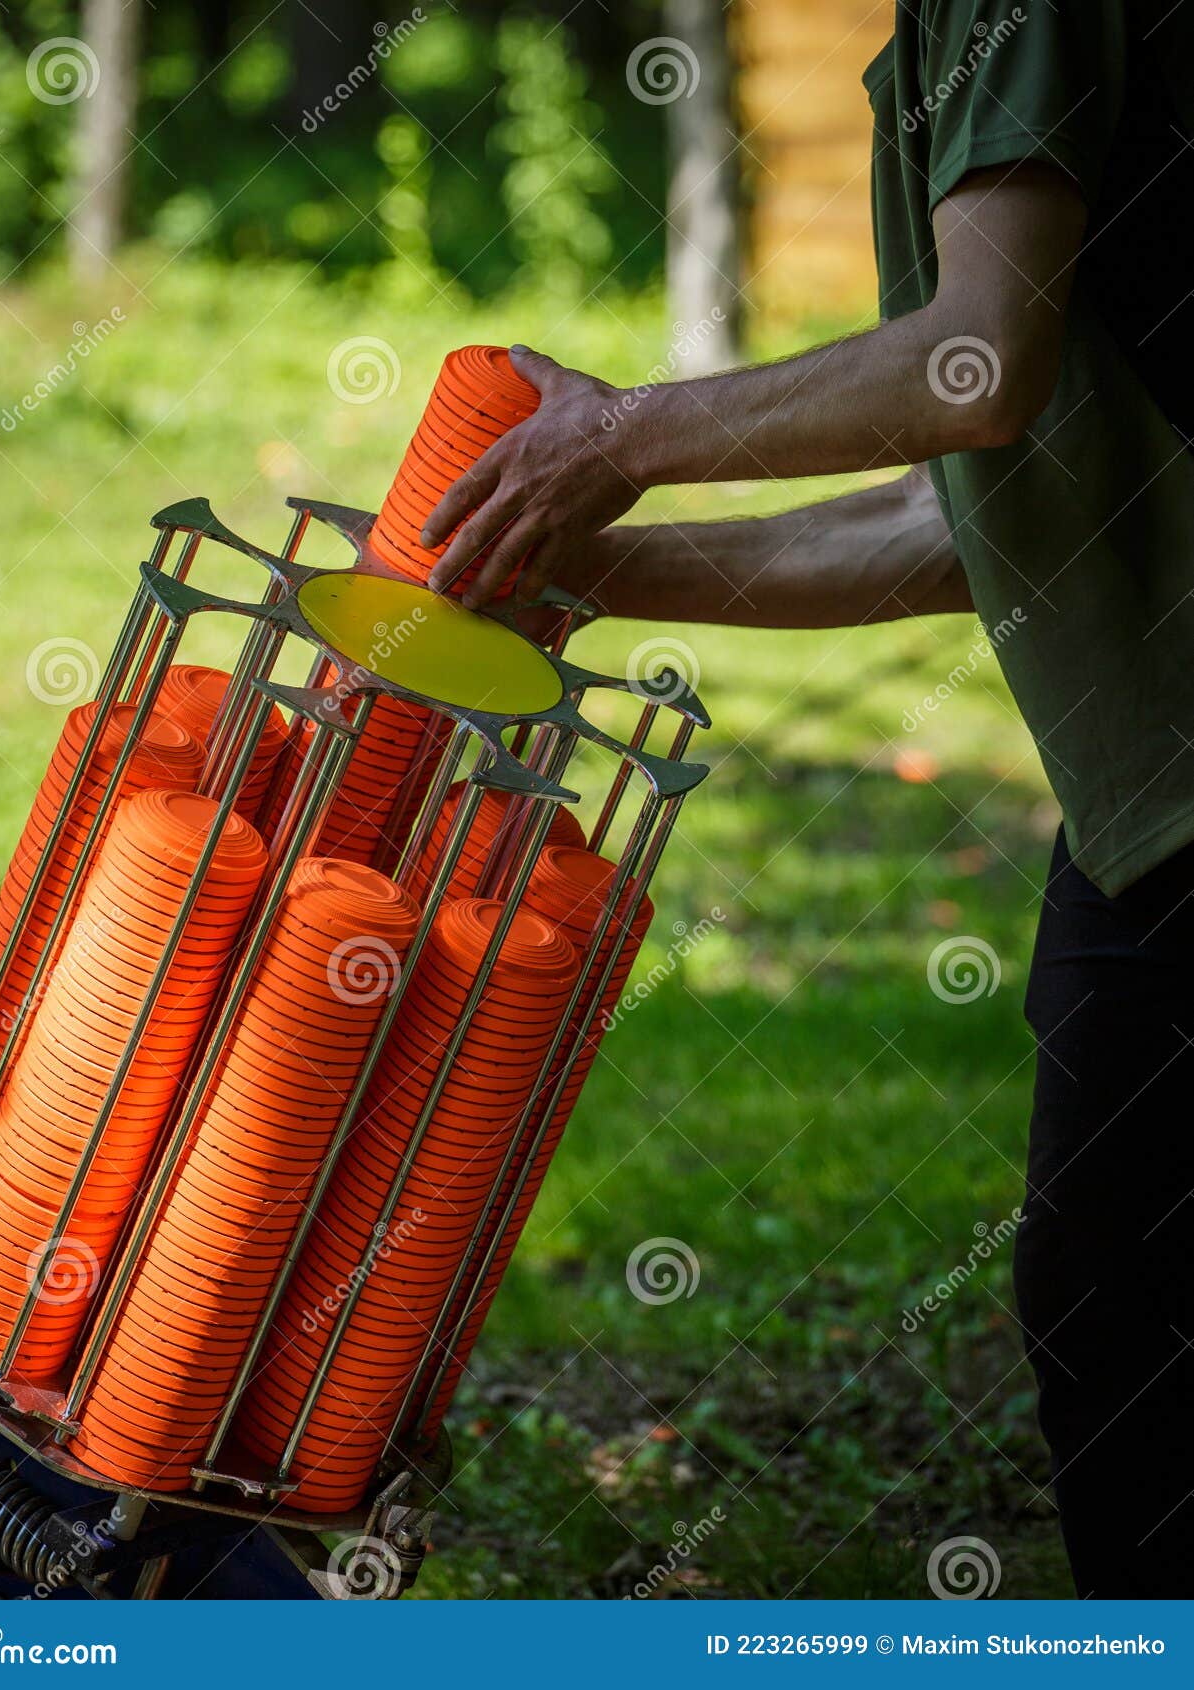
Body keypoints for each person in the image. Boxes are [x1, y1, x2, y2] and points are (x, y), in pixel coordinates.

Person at [421, 2, 1194, 1600]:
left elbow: (970, 370)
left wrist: (623, 441)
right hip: (1150, 794)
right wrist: (588, 570)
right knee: (1104, 1299)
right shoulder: (944, 46)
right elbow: (965, 510)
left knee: (1125, 1321)